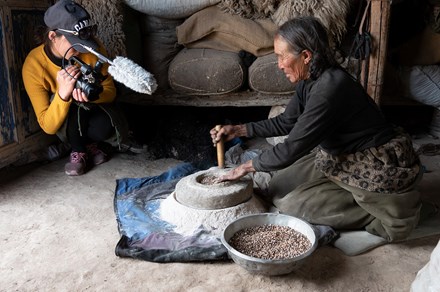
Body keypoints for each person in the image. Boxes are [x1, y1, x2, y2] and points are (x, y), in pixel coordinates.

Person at [211, 16, 423, 242]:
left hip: (372, 162)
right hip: (340, 154)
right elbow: (286, 122)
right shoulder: (310, 79)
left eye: (282, 56)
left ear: (305, 56)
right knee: (277, 186)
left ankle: (383, 210)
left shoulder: (330, 89)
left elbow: (292, 148)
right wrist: (238, 130)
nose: (280, 64)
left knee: (291, 205)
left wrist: (243, 168)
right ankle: (340, 193)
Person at [22, 0, 128, 176]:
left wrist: (92, 94)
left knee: (104, 126)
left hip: (93, 113)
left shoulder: (91, 49)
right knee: (68, 100)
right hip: (66, 124)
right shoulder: (34, 66)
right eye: (73, 41)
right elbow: (47, 126)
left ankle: (91, 145)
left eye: (83, 41)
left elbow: (110, 90)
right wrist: (63, 95)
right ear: (53, 37)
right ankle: (78, 149)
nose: (81, 48)